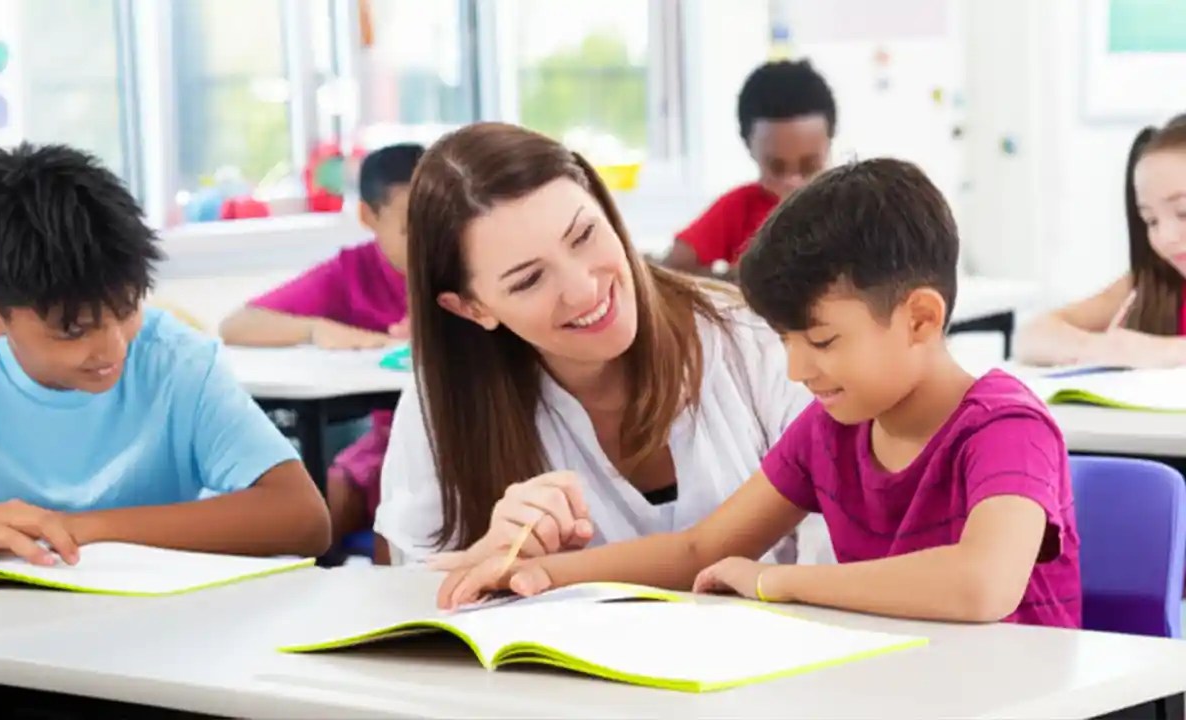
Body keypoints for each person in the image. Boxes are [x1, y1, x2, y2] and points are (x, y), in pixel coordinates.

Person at [437, 158, 1080, 629]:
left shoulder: (1005, 429)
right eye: (785, 340)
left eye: (823, 341)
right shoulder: (833, 429)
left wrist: (779, 582)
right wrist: (540, 574)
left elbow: (982, 586)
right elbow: (703, 548)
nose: (797, 370)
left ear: (919, 319)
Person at [373, 122, 824, 568]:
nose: (584, 290)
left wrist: (547, 574)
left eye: (584, 235)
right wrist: (485, 556)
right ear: (471, 308)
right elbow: (413, 590)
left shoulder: (748, 337)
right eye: (530, 279)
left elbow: (846, 530)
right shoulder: (445, 401)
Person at [0, 143, 331, 581]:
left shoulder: (176, 362)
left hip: (157, 630)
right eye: (73, 331)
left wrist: (79, 531)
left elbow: (303, 517)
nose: (113, 349)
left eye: (127, 310)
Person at [220, 143, 423, 547]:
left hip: (459, 444)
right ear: (368, 217)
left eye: (441, 222)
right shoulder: (352, 272)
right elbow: (236, 325)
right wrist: (316, 329)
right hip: (383, 446)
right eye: (409, 228)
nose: (429, 241)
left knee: (407, 514)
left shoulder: (475, 262)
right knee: (316, 512)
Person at [1019, 115, 1186, 367]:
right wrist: (1105, 348)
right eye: (1151, 221)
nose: (1165, 237)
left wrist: (1165, 351)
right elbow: (1032, 336)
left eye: (1183, 213)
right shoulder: (1151, 283)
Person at [662, 59, 836, 278]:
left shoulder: (849, 209)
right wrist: (733, 280)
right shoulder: (738, 209)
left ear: (829, 143)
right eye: (776, 168)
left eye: (809, 167)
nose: (793, 183)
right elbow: (670, 269)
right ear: (749, 147)